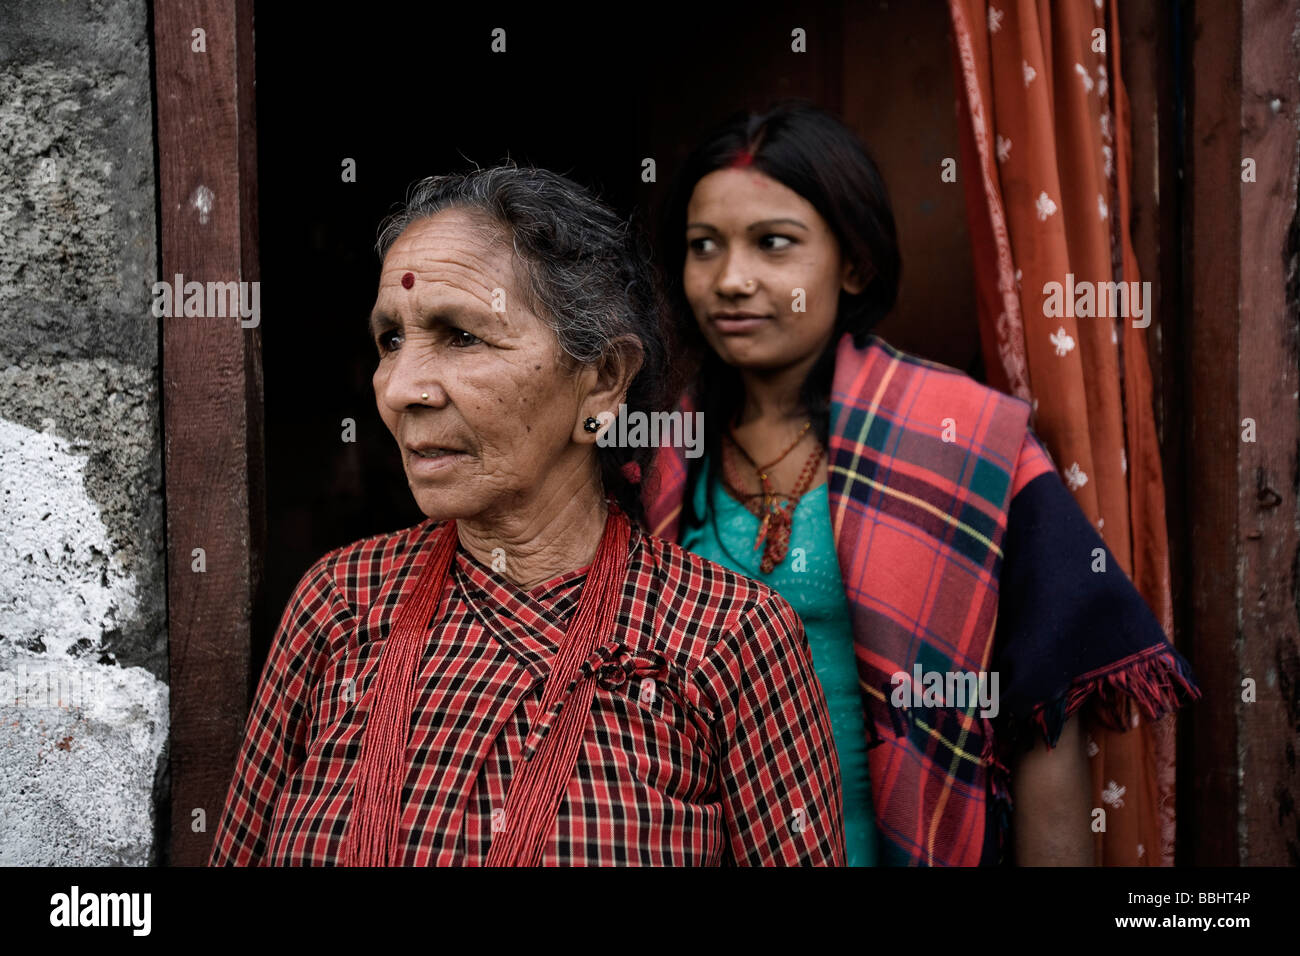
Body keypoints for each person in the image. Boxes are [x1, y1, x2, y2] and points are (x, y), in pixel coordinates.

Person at [208, 163, 846, 866]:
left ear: (603, 379)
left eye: (461, 336)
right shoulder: (341, 603)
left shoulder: (727, 637)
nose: (402, 388)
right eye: (391, 339)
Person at [643, 102, 1201, 866]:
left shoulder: (962, 439)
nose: (731, 279)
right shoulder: (662, 460)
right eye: (703, 247)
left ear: (854, 263)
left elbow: (1047, 716)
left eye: (774, 244)